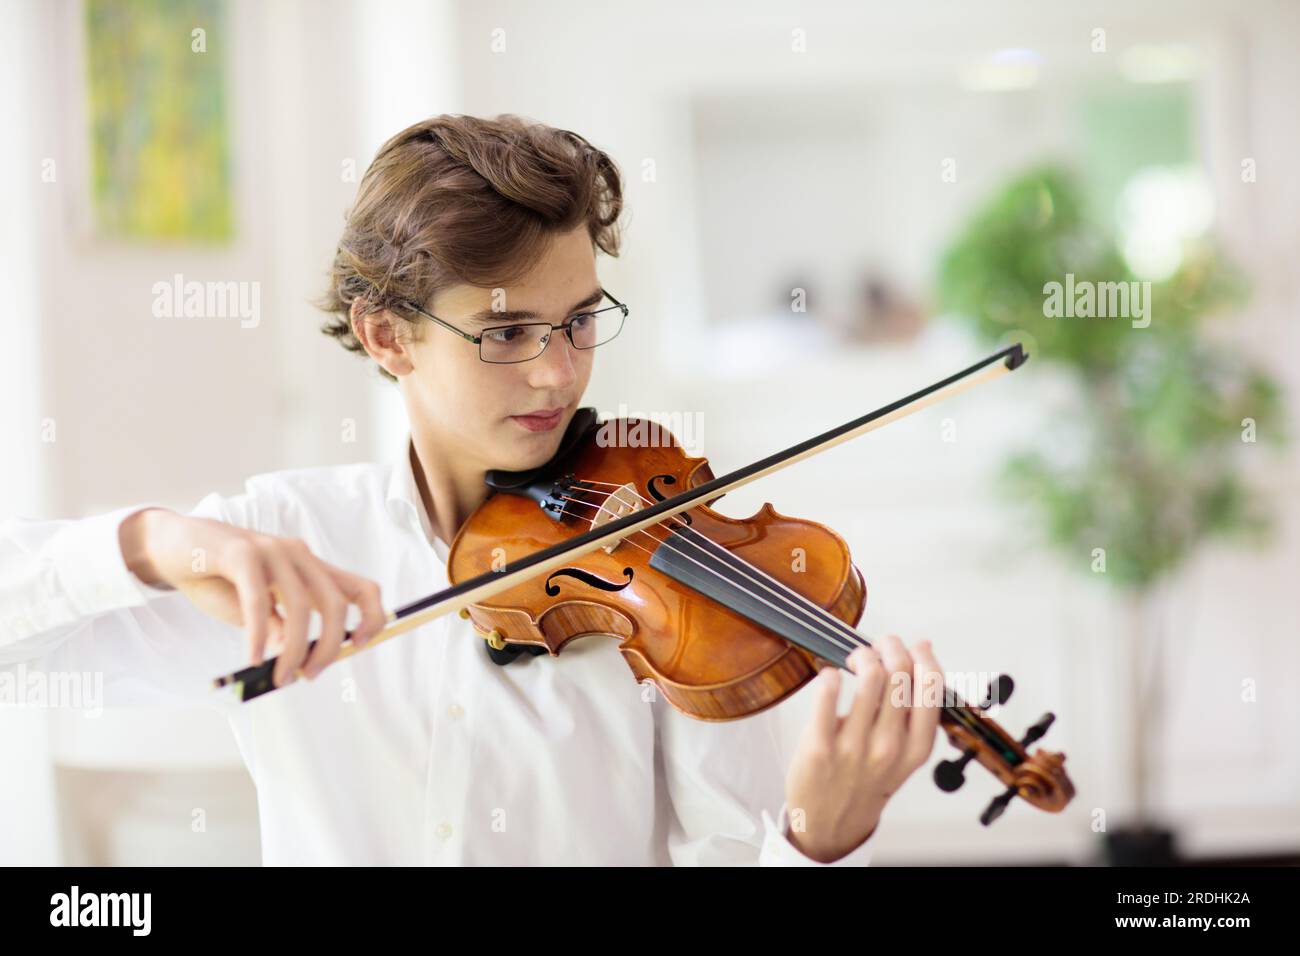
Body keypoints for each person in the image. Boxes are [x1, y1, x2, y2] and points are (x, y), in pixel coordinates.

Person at [1, 114, 944, 866]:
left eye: (579, 322)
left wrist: (815, 843)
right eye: (505, 333)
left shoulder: (668, 584)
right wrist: (151, 542)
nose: (556, 374)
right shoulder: (288, 541)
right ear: (387, 337)